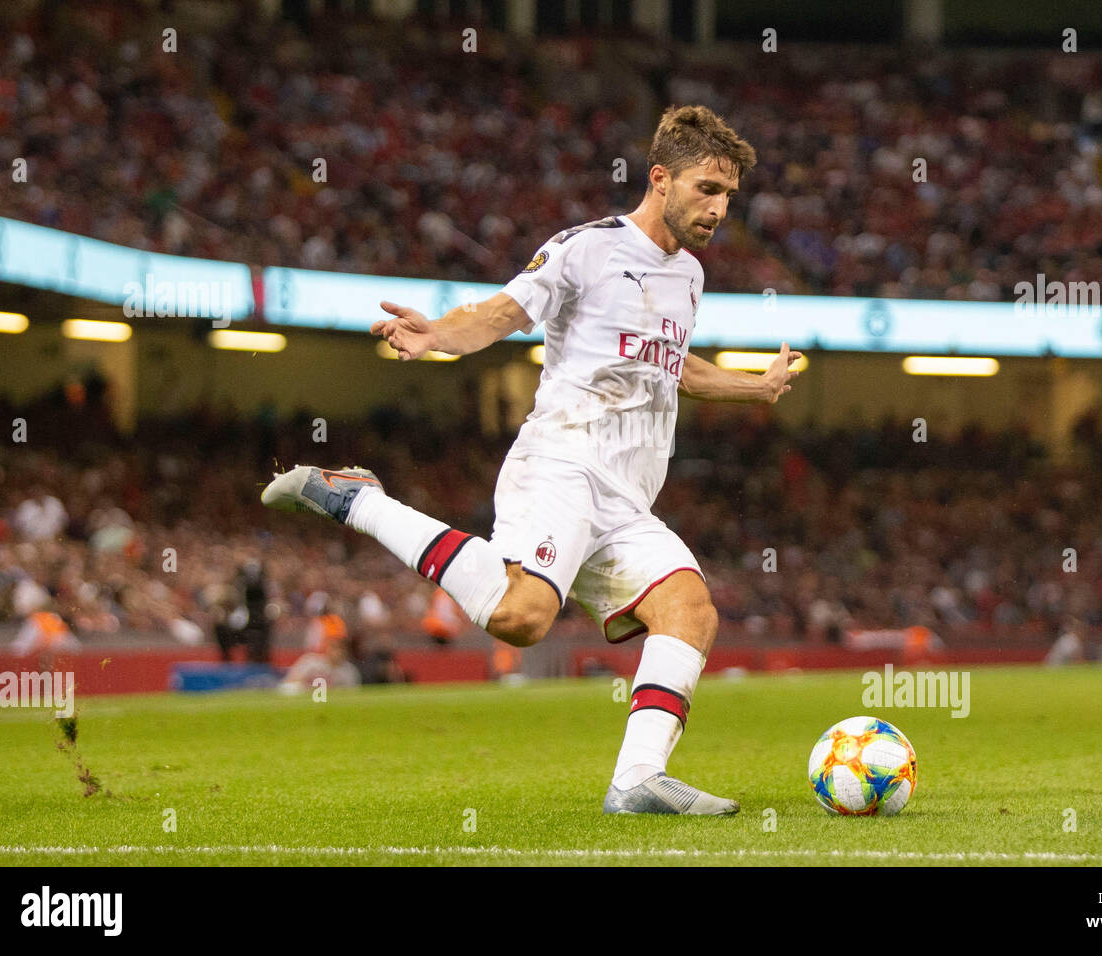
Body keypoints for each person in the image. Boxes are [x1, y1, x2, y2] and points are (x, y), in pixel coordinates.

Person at [262, 105, 801, 815]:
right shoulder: (587, 249)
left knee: (690, 609)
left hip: (627, 497)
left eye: (730, 195)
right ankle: (360, 498)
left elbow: (673, 368)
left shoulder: (691, 276)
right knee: (521, 618)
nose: (721, 207)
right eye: (707, 188)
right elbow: (503, 313)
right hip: (562, 462)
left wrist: (754, 386)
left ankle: (637, 780)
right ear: (661, 177)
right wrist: (439, 337)